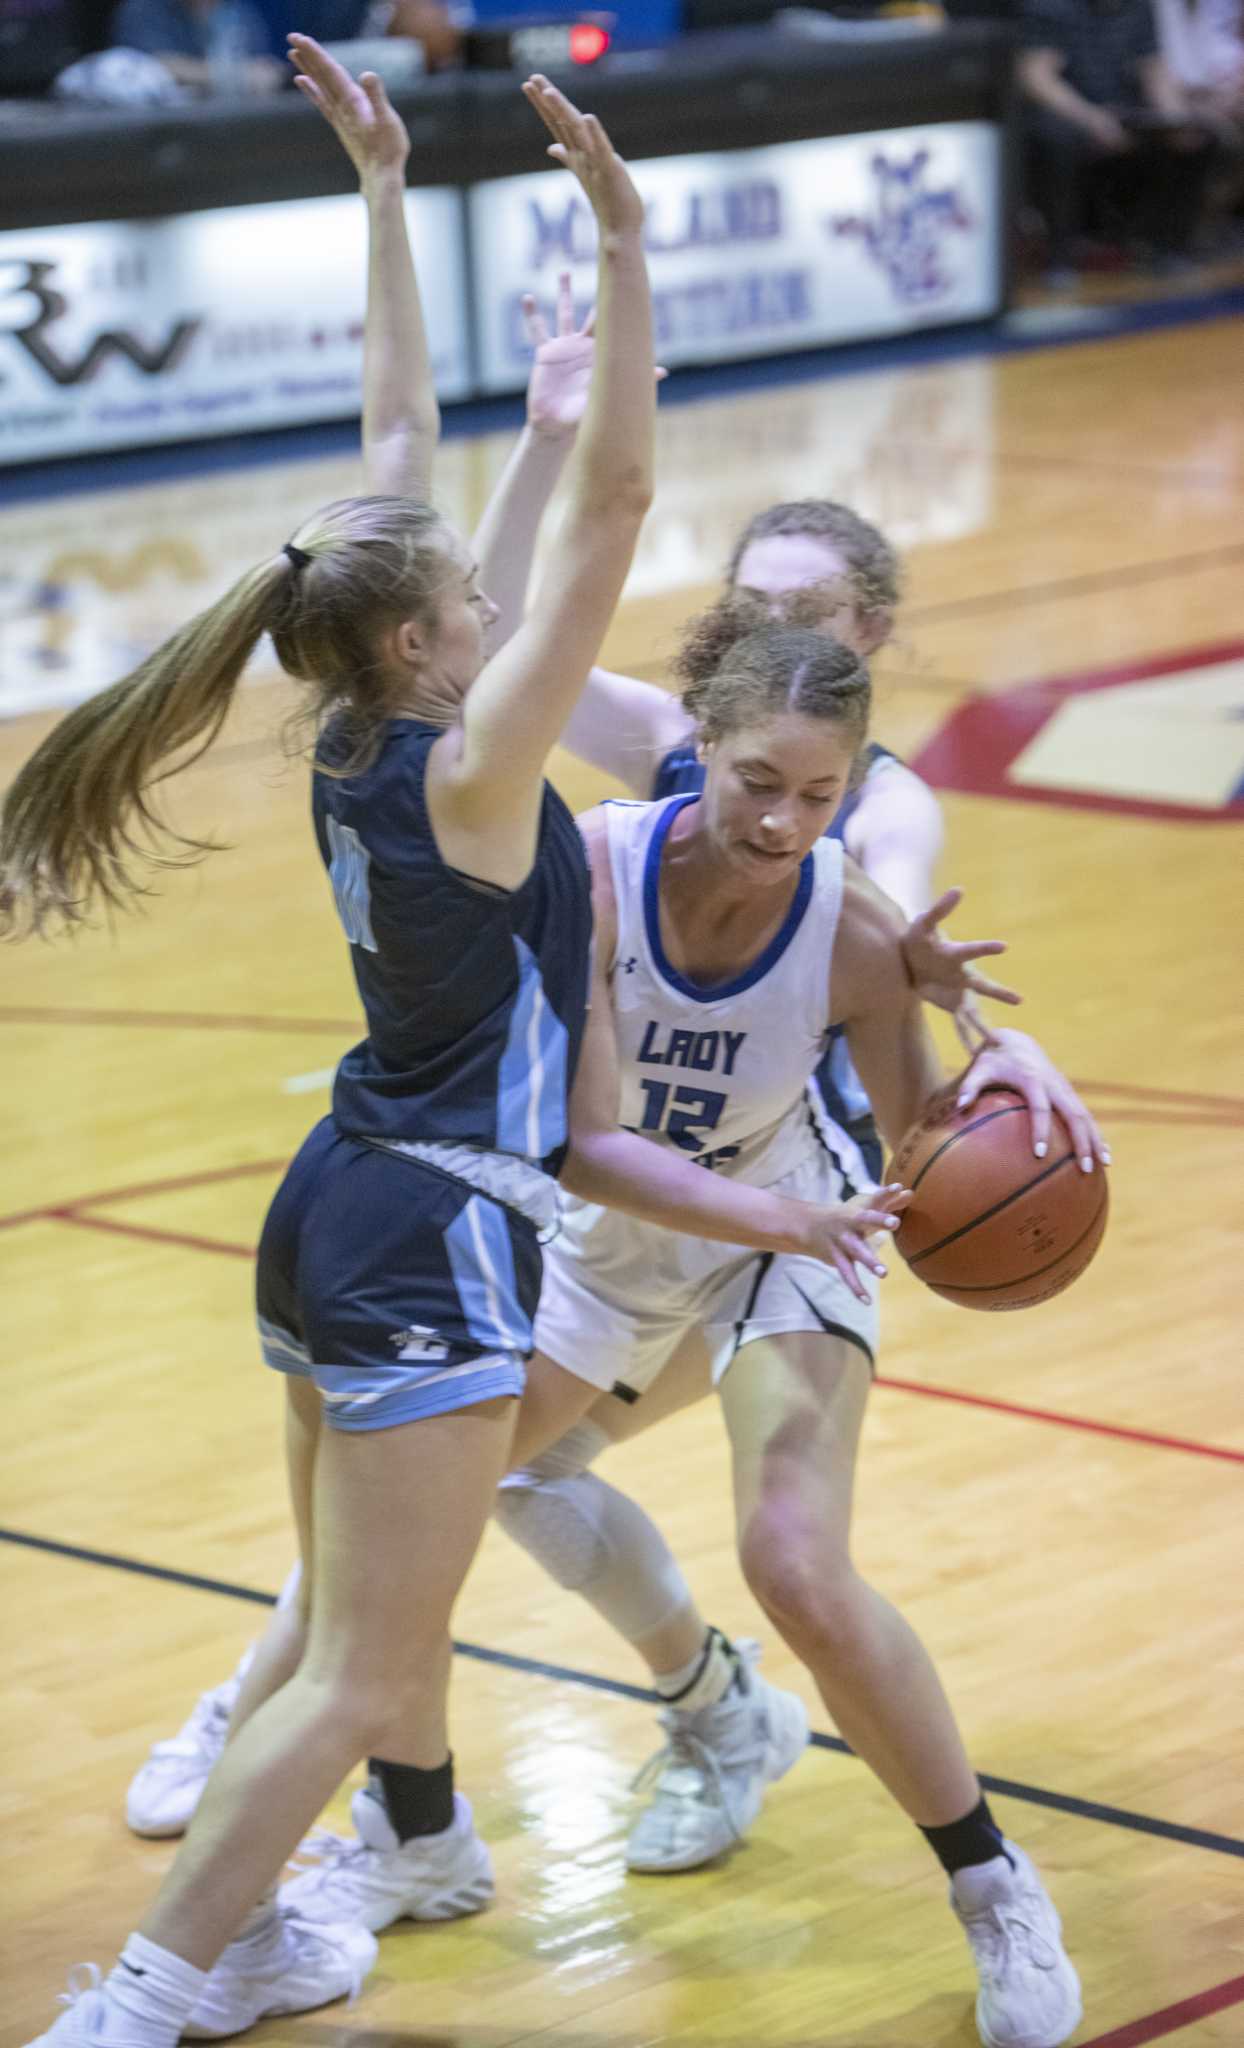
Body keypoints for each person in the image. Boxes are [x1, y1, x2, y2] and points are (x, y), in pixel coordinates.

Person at [8, 47, 899, 2047]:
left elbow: (396, 434)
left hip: (335, 1198)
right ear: (430, 642)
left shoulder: (358, 722)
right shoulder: (487, 773)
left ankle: (242, 1941)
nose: (503, 594)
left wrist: (390, 189)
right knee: (352, 1674)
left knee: (337, 1637)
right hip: (432, 1236)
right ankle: (139, 1999)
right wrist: (625, 232)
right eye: (475, 598)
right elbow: (621, 492)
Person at [1017, 0, 1218, 279]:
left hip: (1123, 107)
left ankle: (1166, 248)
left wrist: (1175, 118)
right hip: (1066, 110)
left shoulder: (1139, 6)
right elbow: (1036, 76)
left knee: (1196, 135)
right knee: (1054, 137)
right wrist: (1091, 118)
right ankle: (1061, 255)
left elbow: (1153, 68)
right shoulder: (1050, 6)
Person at [109, 0, 286, 93]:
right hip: (166, 134)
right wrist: (236, 76)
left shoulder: (239, 11)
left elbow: (262, 71)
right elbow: (154, 67)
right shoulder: (144, 9)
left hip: (235, 127)